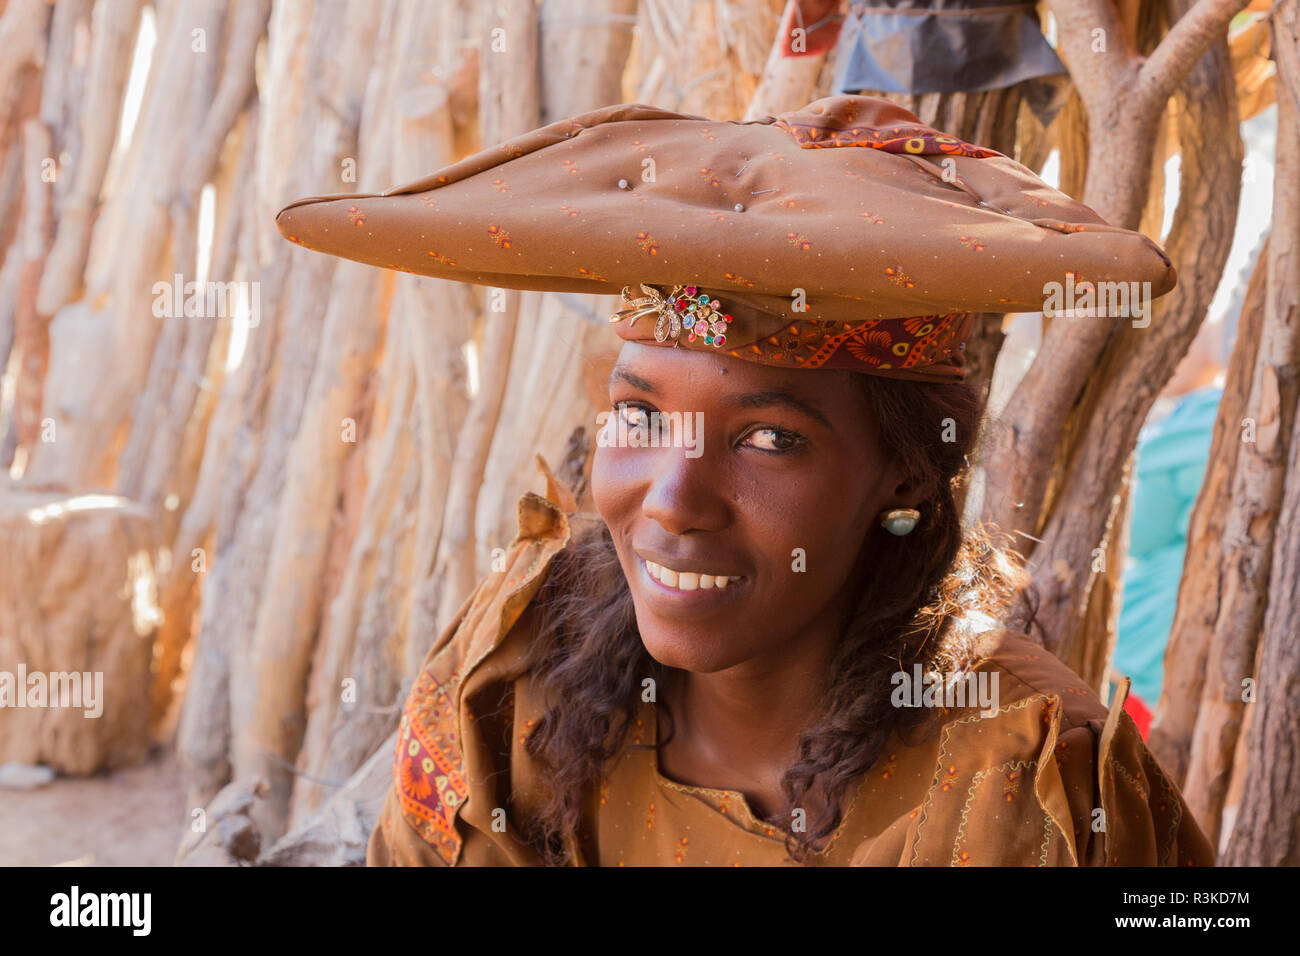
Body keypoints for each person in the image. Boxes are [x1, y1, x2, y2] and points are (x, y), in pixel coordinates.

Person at [277, 95, 1214, 866]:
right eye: (640, 417)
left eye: (768, 438)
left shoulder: (1032, 792)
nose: (673, 502)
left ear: (908, 477)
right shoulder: (514, 688)